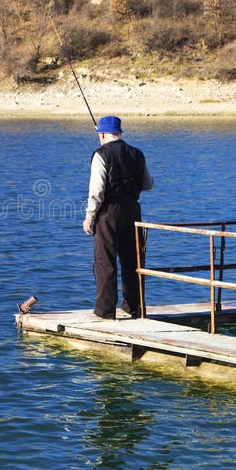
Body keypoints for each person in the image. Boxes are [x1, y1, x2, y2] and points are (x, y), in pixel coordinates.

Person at [82, 115, 153, 320]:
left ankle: (105, 311)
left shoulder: (101, 155)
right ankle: (133, 307)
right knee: (133, 260)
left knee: (105, 262)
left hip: (108, 213)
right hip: (133, 211)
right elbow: (148, 184)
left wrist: (89, 217)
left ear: (102, 134)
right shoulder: (137, 154)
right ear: (119, 133)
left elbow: (97, 192)